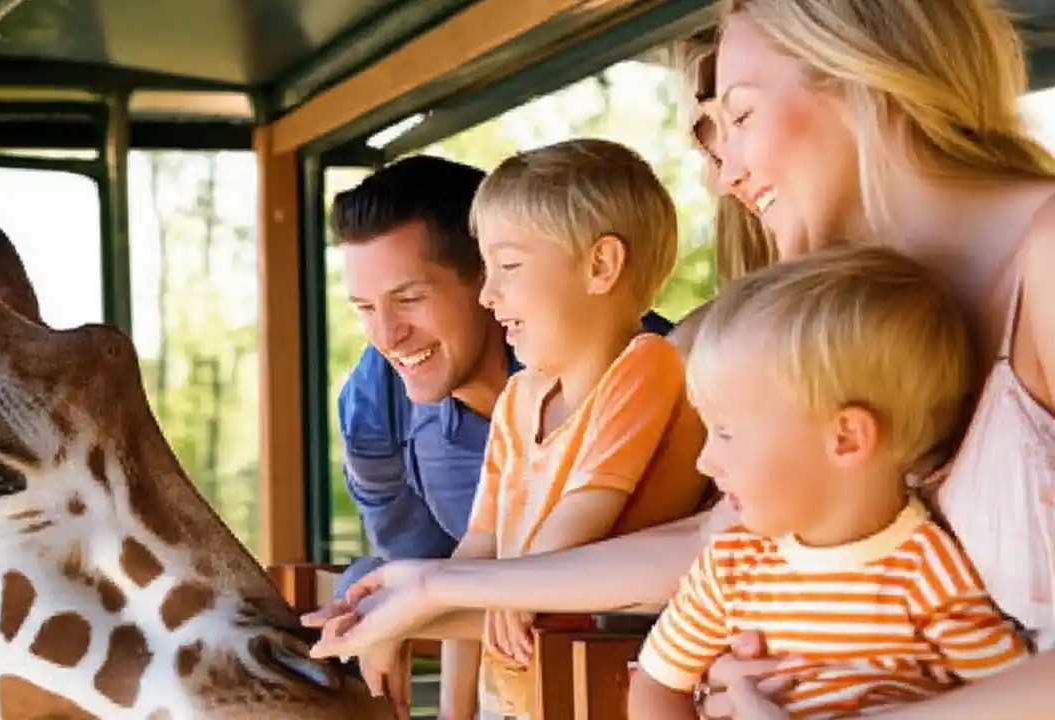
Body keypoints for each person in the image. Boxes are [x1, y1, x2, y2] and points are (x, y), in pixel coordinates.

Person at [309, 1, 1055, 716]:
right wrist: (433, 589)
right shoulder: (841, 319)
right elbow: (713, 543)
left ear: (864, 74)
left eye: (740, 115)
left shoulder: (1044, 259)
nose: (725, 175)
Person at [331, 154, 673, 711]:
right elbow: (454, 570)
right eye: (364, 307)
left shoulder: (645, 367)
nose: (385, 336)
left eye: (410, 298)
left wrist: (503, 587)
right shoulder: (381, 410)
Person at [630, 246, 1030, 718]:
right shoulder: (728, 567)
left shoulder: (925, 568)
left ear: (845, 438)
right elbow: (656, 686)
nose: (705, 462)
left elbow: (1011, 697)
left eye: (726, 432)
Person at [437, 138, 708, 719]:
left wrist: (514, 587)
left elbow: (585, 513)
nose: (487, 295)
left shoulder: (647, 367)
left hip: (588, 691)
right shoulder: (517, 398)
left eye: (508, 266)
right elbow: (474, 554)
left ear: (601, 266)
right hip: (506, 698)